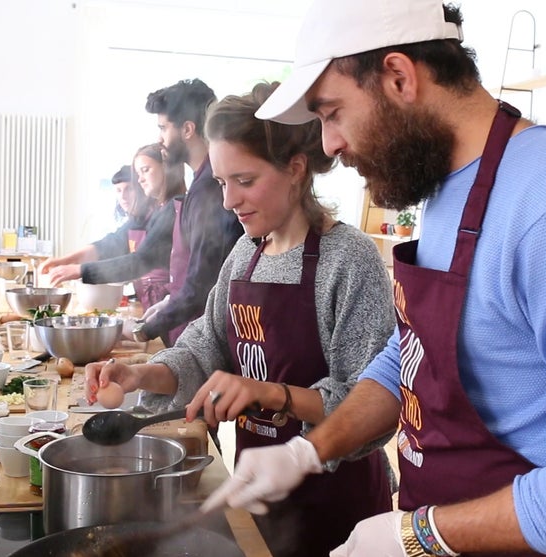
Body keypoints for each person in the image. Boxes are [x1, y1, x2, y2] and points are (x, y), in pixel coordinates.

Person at [203, 2, 546, 557]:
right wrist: (310, 451)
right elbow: (409, 352)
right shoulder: (444, 189)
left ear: (399, 77)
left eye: (331, 113)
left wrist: (418, 536)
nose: (328, 143)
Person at [87, 82, 396, 557]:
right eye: (221, 183)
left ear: (296, 170)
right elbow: (203, 344)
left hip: (339, 509)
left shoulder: (347, 259)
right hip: (262, 497)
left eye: (244, 181)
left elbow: (368, 402)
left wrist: (269, 393)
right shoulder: (245, 255)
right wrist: (141, 373)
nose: (229, 201)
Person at [131, 78, 244, 346]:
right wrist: (170, 301)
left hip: (207, 338)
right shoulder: (200, 182)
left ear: (188, 129)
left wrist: (142, 330)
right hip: (190, 329)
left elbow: (201, 287)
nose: (160, 139)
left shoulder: (209, 190)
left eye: (163, 128)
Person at [40, 144, 185, 311]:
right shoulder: (158, 210)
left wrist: (79, 270)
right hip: (156, 307)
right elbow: (110, 244)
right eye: (138, 174)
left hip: (169, 308)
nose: (140, 179)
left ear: (167, 168)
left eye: (145, 170)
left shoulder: (173, 209)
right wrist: (65, 261)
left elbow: (139, 262)